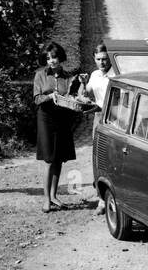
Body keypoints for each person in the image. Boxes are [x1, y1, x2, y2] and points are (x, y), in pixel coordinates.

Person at [32, 41, 79, 213]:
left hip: (62, 119)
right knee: (49, 159)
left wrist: (77, 92)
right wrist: (50, 96)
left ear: (60, 58)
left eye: (55, 57)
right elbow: (36, 99)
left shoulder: (67, 77)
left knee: (59, 158)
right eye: (49, 58)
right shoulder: (40, 76)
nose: (52, 61)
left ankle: (53, 196)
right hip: (46, 118)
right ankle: (46, 199)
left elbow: (72, 97)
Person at [78, 43, 113, 215]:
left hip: (115, 119)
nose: (102, 62)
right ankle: (101, 198)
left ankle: (114, 197)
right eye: (99, 59)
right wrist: (83, 84)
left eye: (105, 59)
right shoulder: (94, 74)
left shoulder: (117, 75)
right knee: (98, 157)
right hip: (99, 119)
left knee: (113, 157)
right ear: (94, 59)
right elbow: (86, 94)